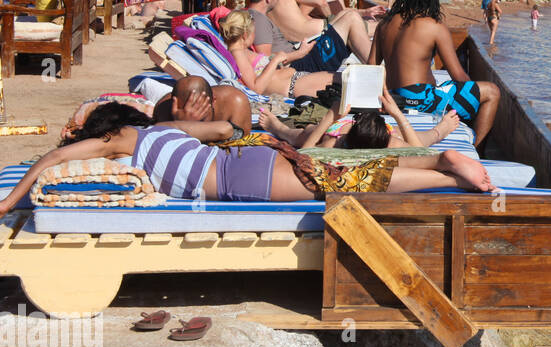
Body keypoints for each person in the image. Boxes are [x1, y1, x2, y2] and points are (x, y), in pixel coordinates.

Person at [0, 103, 493, 219]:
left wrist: (8, 204)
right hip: (246, 153)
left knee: (346, 183)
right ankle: (441, 164)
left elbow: (55, 158)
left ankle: (448, 171)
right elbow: (220, 130)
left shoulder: (117, 142)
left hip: (238, 177)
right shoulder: (159, 129)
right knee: (340, 172)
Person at [370, 0, 501, 143]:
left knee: (445, 89)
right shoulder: (434, 27)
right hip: (418, 99)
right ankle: (477, 148)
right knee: (491, 91)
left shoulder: (384, 25)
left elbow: (370, 69)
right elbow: (459, 77)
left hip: (392, 98)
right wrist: (471, 97)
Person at [247, 0, 373, 72]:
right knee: (351, 18)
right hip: (302, 65)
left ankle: (375, 69)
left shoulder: (253, 15)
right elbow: (264, 62)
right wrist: (299, 53)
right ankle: (377, 72)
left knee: (344, 15)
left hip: (302, 56)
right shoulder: (259, 21)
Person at [258, 89, 461, 150]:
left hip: (338, 128)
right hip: (367, 134)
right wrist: (398, 115)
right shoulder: (390, 143)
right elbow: (419, 152)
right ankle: (440, 131)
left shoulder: (335, 141)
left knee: (305, 134)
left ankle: (277, 128)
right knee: (411, 137)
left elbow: (305, 153)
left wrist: (330, 117)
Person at [220, 10, 334, 98]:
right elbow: (256, 89)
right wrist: (275, 61)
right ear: (245, 35)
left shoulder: (241, 51)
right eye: (253, 32)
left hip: (295, 80)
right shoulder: (238, 54)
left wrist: (298, 53)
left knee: (344, 81)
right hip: (293, 84)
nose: (254, 36)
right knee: (343, 82)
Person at [153, 75, 252, 131]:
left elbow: (238, 154)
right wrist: (183, 125)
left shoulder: (236, 103)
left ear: (213, 100)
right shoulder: (163, 111)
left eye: (202, 119)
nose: (199, 127)